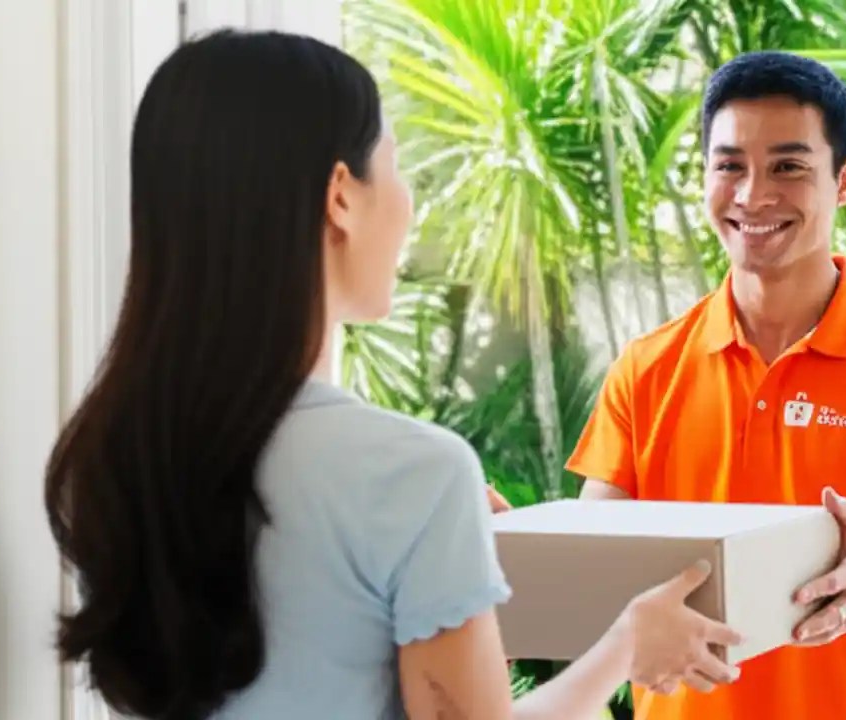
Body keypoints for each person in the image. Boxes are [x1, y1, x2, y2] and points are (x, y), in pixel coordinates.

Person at [43, 29, 742, 720]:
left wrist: (452, 567)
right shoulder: (415, 474)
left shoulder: (113, 454)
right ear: (340, 194)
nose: (407, 204)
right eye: (396, 164)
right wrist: (625, 647)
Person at [566, 50, 846, 720]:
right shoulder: (645, 370)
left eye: (789, 167)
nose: (752, 195)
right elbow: (594, 580)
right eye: (730, 165)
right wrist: (528, 552)